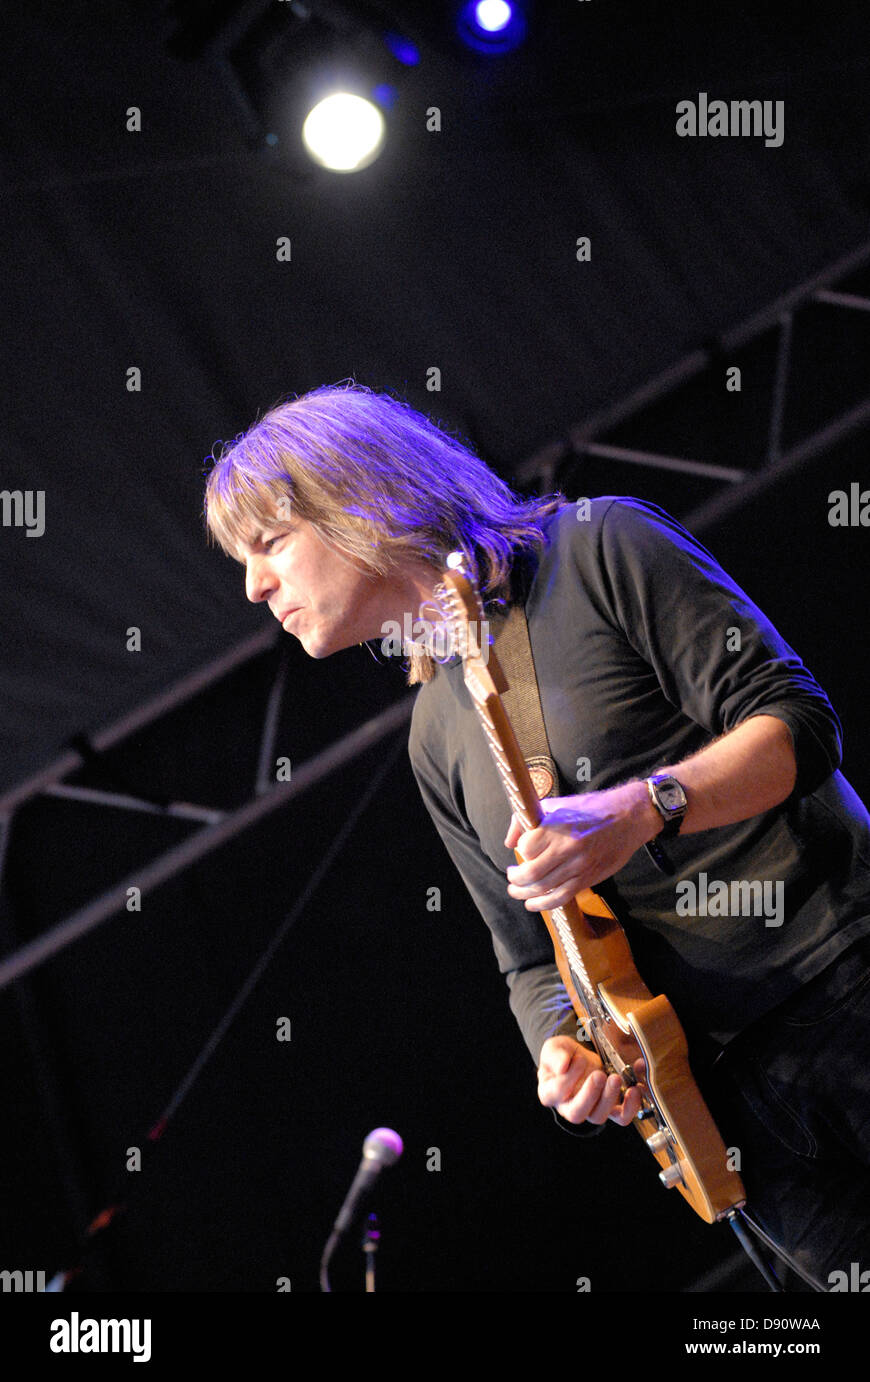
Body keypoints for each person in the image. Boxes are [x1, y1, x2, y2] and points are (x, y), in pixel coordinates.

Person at [204, 380, 870, 1289]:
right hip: (728, 1108)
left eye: (270, 542)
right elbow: (526, 959)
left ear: (359, 497)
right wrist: (564, 1048)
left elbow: (800, 723)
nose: (254, 584)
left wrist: (642, 808)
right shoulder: (433, 734)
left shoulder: (600, 547)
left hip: (842, 975)